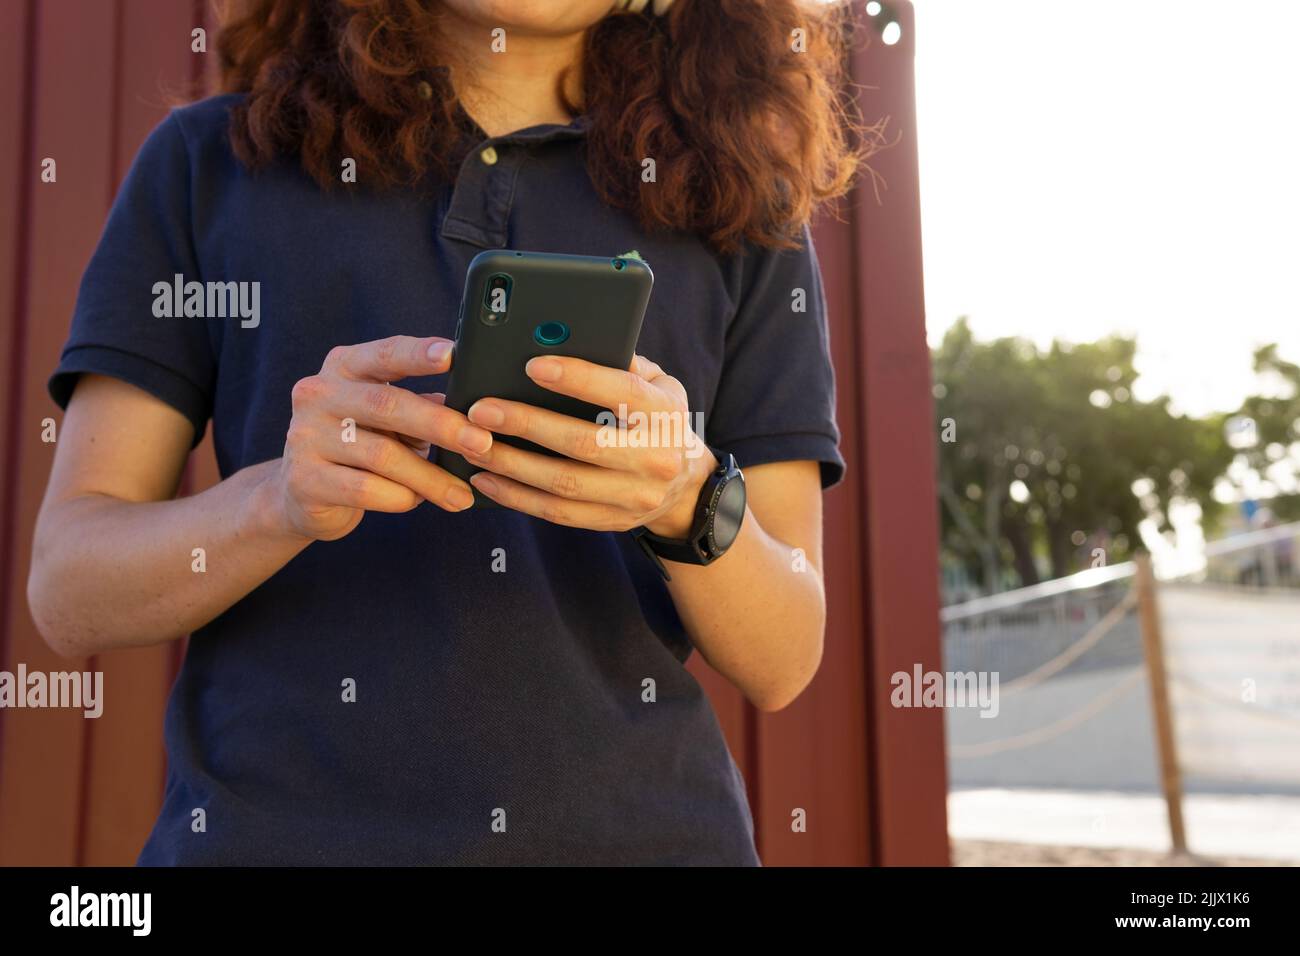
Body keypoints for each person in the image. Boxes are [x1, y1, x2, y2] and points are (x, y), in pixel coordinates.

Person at [29, 0, 863, 865]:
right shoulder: (208, 164)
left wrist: (688, 500)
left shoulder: (738, 200)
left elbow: (785, 654)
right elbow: (68, 587)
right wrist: (276, 502)